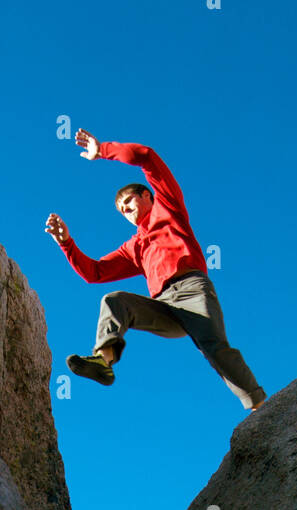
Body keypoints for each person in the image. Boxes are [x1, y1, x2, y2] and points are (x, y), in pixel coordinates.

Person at [45, 129, 266, 411]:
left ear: (147, 196)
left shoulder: (168, 208)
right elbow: (94, 273)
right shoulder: (134, 247)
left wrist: (103, 150)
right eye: (122, 211)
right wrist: (66, 242)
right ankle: (104, 359)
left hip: (192, 290)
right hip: (164, 306)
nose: (126, 211)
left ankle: (258, 404)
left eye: (129, 202)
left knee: (214, 347)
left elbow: (147, 157)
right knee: (114, 301)